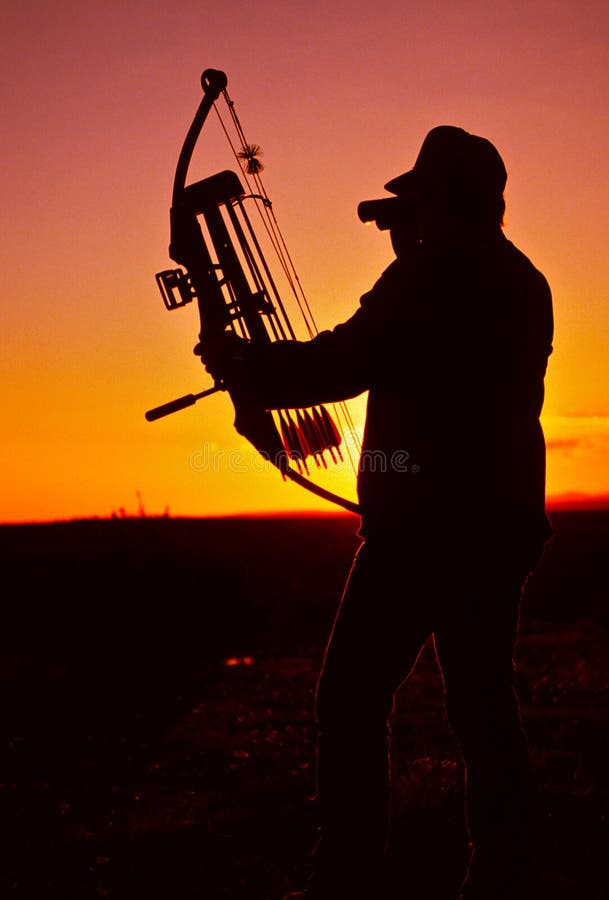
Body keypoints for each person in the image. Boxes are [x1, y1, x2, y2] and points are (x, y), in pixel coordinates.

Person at [199, 126, 554, 900]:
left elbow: (344, 361)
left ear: (440, 198)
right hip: (497, 524)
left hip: (424, 530)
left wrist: (242, 364)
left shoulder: (430, 275)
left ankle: (347, 878)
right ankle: (504, 871)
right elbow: (434, 358)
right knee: (482, 701)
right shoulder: (520, 280)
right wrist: (408, 256)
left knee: (350, 698)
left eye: (421, 197)